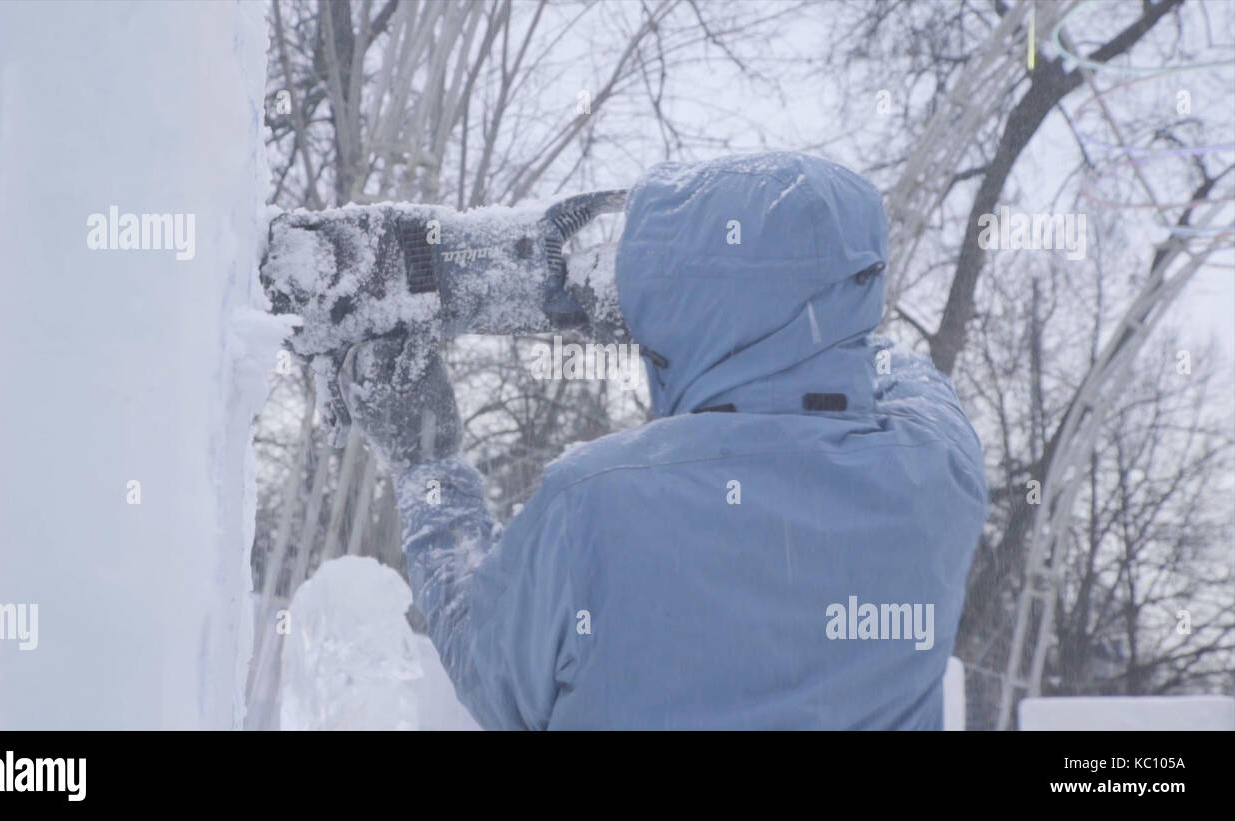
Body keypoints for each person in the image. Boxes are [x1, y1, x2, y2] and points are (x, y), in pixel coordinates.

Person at [339, 152, 988, 730]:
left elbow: (489, 672)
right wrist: (765, 298)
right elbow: (885, 359)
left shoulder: (593, 502)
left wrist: (427, 461)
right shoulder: (936, 475)